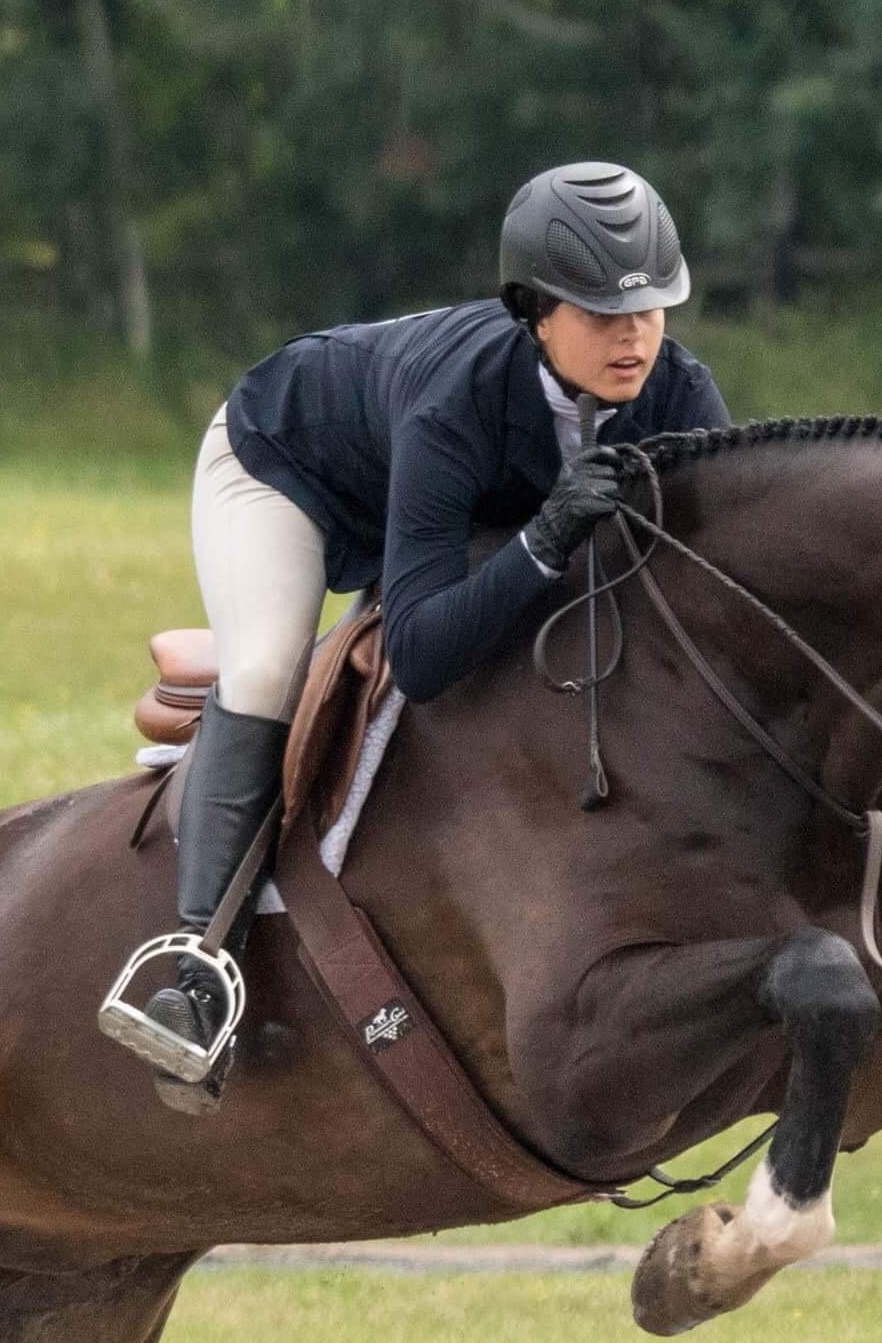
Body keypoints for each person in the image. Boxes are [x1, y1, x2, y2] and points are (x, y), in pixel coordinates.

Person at [106, 160, 732, 1080]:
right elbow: (425, 653)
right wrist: (546, 536)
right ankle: (200, 972)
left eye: (650, 310)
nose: (634, 336)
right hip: (289, 469)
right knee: (270, 664)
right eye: (603, 315)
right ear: (535, 312)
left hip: (427, 497)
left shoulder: (679, 394)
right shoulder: (457, 404)